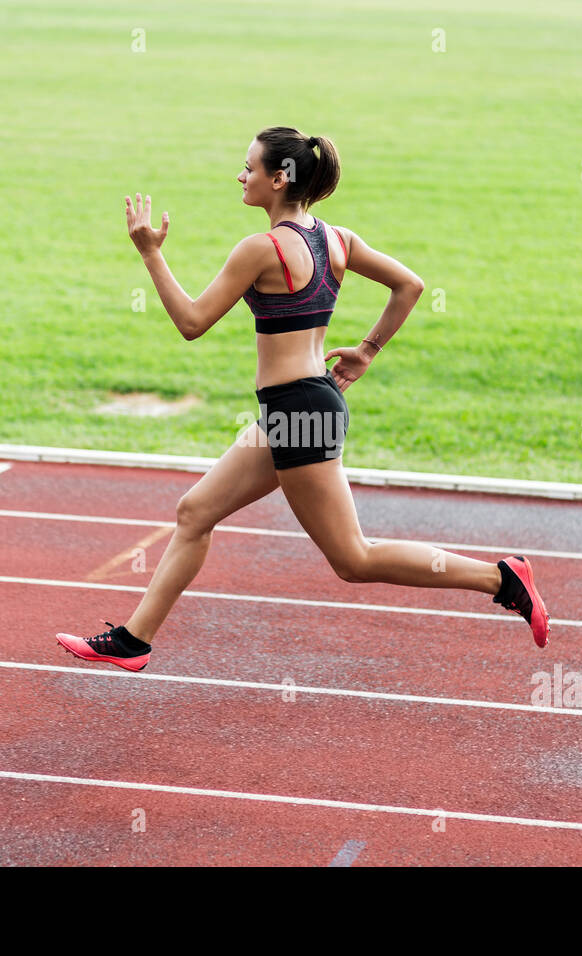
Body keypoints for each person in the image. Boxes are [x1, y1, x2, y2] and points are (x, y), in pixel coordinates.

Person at [57, 126, 549, 671]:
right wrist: (366, 350)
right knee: (195, 512)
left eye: (249, 167)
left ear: (278, 178)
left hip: (297, 411)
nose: (240, 176)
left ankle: (501, 578)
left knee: (353, 558)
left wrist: (150, 254)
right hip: (302, 406)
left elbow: (192, 323)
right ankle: (134, 639)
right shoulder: (337, 239)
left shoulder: (260, 250)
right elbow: (409, 284)